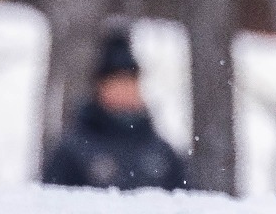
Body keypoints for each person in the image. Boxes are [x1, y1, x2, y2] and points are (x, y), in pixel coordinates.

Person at [42, 26, 186, 191]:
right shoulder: (72, 152)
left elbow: (185, 206)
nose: (125, 92)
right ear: (100, 88)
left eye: (130, 84)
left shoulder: (163, 154)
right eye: (117, 84)